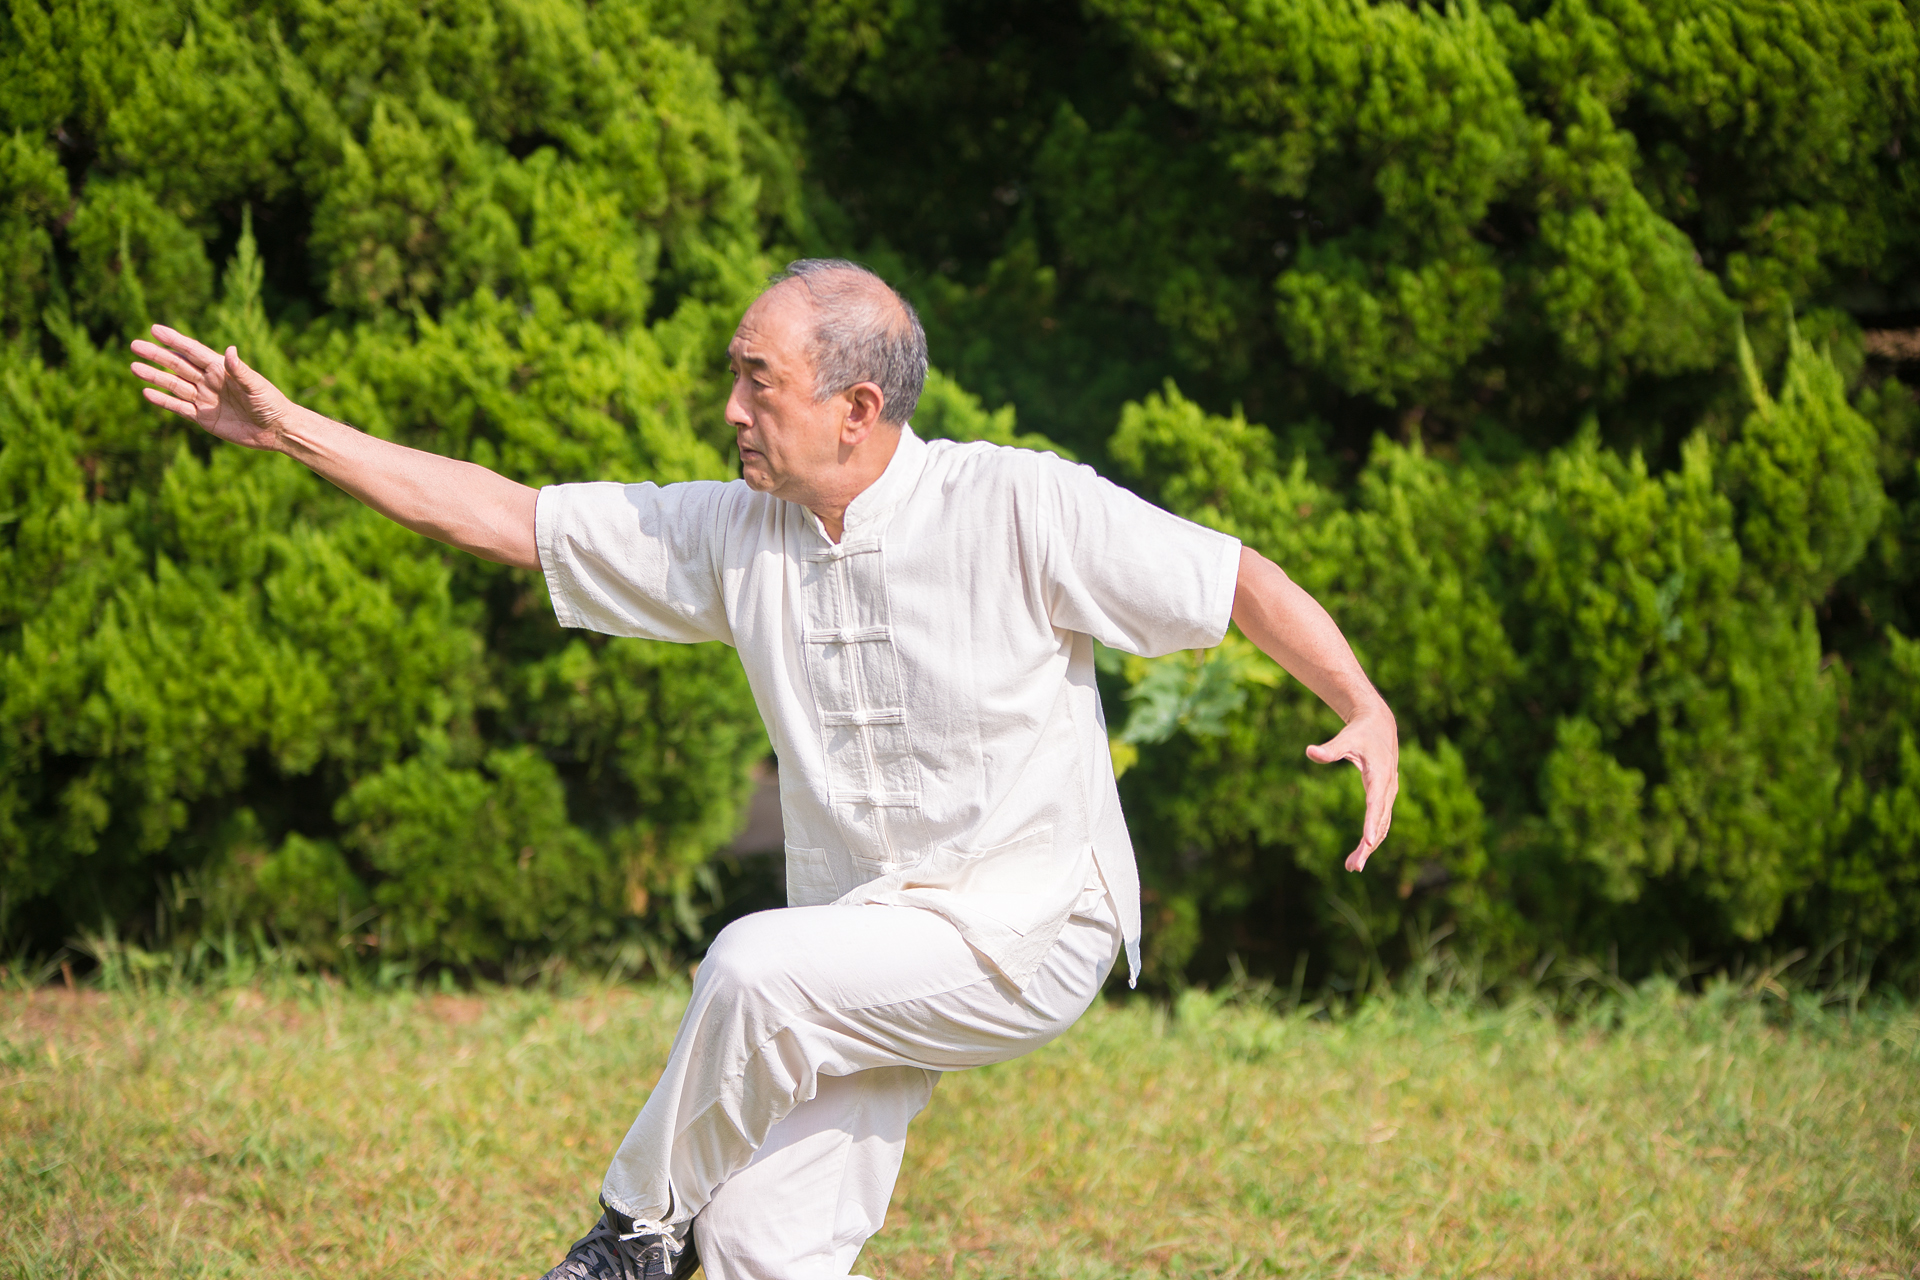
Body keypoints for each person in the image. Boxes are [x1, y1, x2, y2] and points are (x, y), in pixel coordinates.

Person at [129, 259, 1399, 1280]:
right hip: (859, 943)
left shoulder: (1020, 504)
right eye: (732, 376)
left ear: (858, 405)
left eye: (758, 379)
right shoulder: (734, 529)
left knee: (752, 965)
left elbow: (1232, 579)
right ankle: (687, 1234)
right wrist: (289, 429)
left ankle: (630, 1229)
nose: (731, 408)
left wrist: (1363, 704)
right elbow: (506, 515)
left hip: (1034, 923)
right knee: (760, 1247)